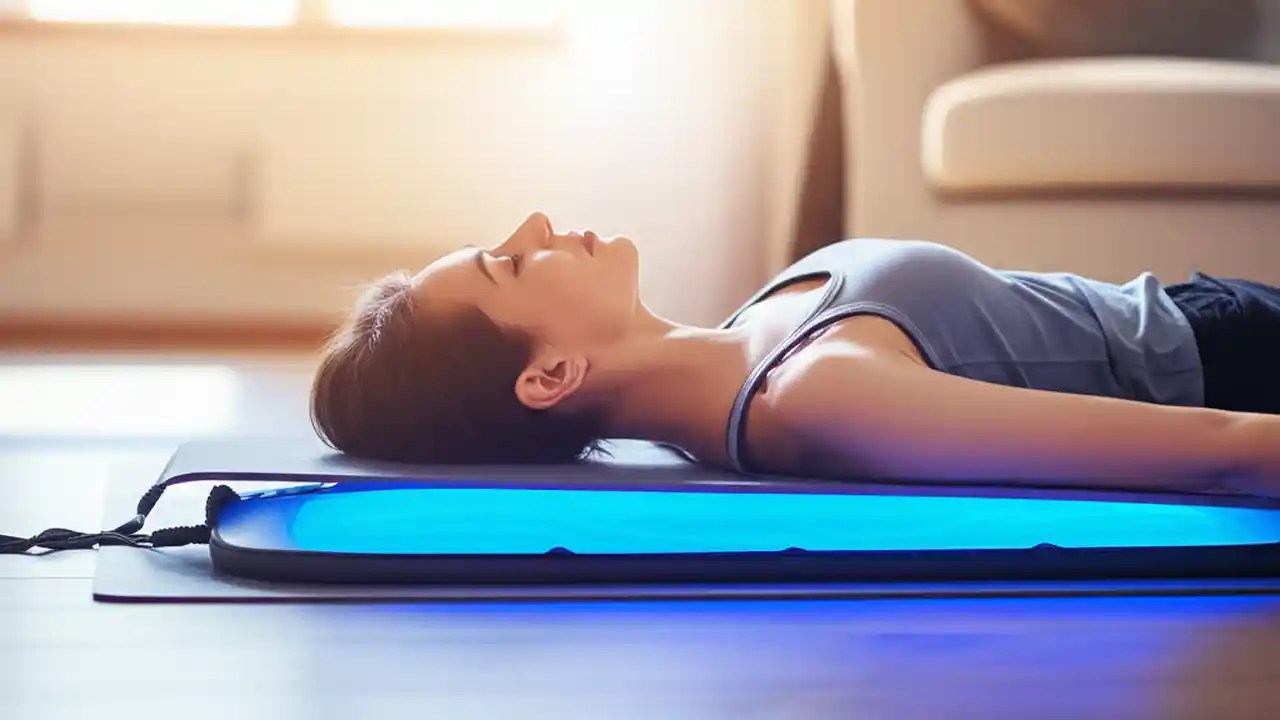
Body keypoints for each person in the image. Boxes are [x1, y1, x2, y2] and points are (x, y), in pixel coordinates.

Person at [310, 211, 1280, 497]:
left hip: (1212, 308)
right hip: (1241, 355)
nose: (534, 223)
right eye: (510, 263)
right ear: (549, 376)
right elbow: (1220, 445)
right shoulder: (819, 397)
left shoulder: (743, 341)